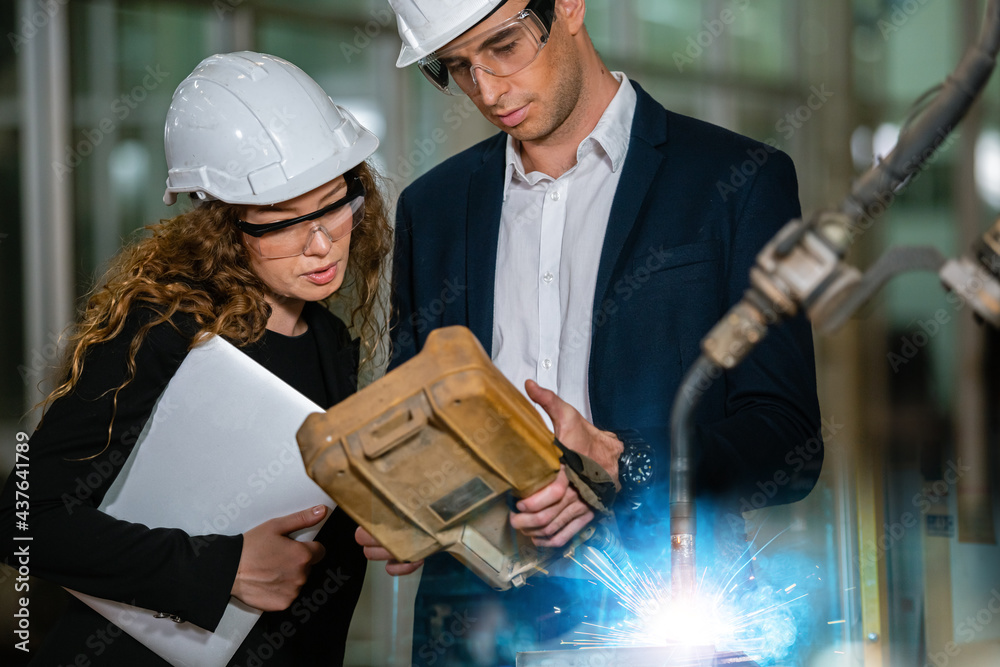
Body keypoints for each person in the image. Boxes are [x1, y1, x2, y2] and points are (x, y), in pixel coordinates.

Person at [358, 0, 824, 663]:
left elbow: (789, 441)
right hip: (473, 626)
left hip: (670, 613)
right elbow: (417, 421)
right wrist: (406, 500)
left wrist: (623, 462)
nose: (487, 90)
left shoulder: (735, 181)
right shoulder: (431, 207)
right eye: (457, 68)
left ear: (570, 7)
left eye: (503, 47)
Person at [0, 52, 392, 666]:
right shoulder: (163, 329)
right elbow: (25, 520)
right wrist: (220, 567)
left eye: (334, 204)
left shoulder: (330, 339)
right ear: (223, 225)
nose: (322, 244)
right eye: (282, 221)